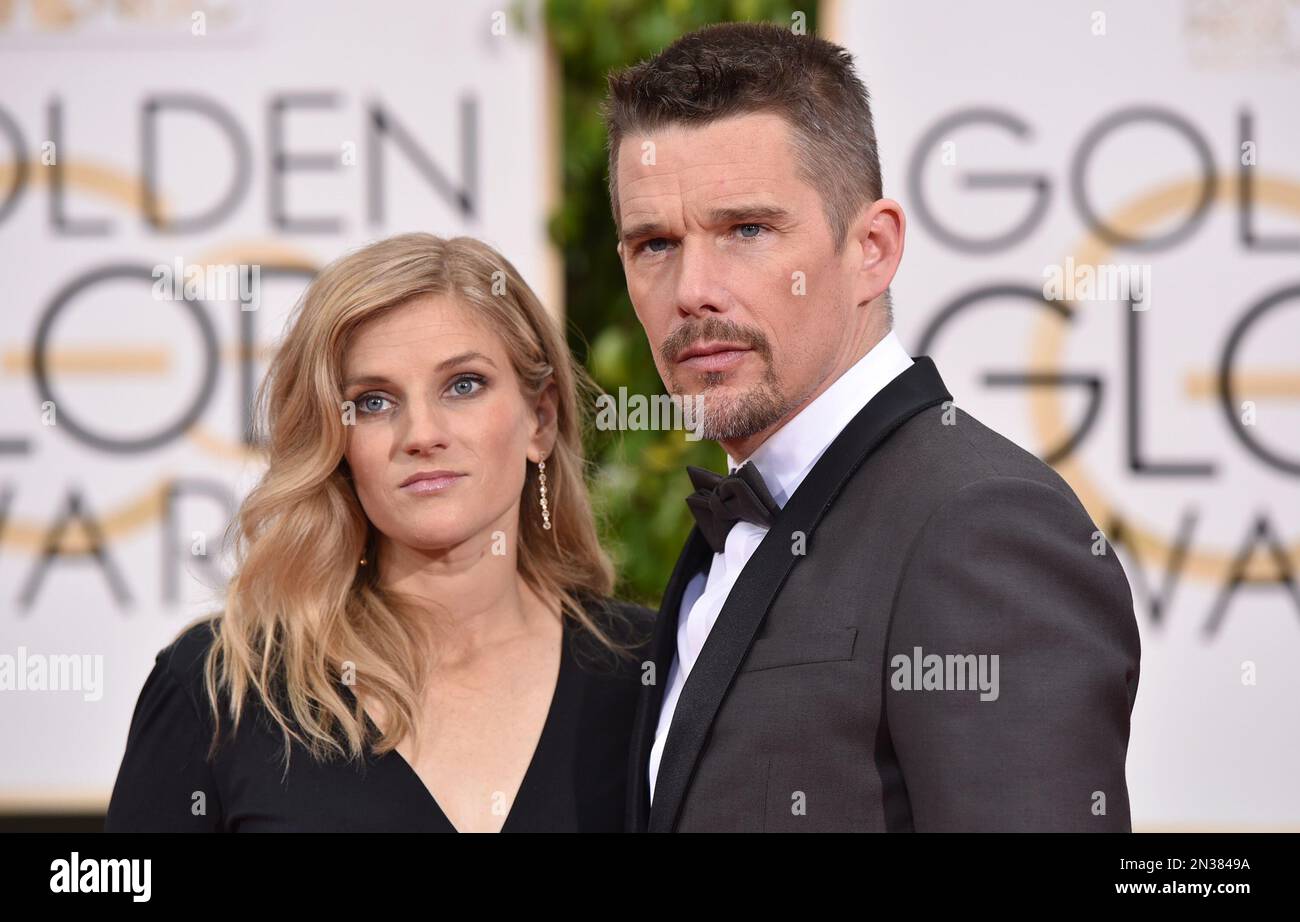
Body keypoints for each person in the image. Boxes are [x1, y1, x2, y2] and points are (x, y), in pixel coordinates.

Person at [606, 23, 1141, 832]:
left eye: (747, 230)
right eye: (655, 244)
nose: (693, 290)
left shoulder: (981, 524)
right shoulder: (735, 526)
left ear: (873, 248)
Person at [105, 233, 651, 832]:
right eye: (372, 402)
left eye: (463, 384)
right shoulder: (224, 689)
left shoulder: (654, 672)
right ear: (336, 444)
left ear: (540, 420)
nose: (421, 433)